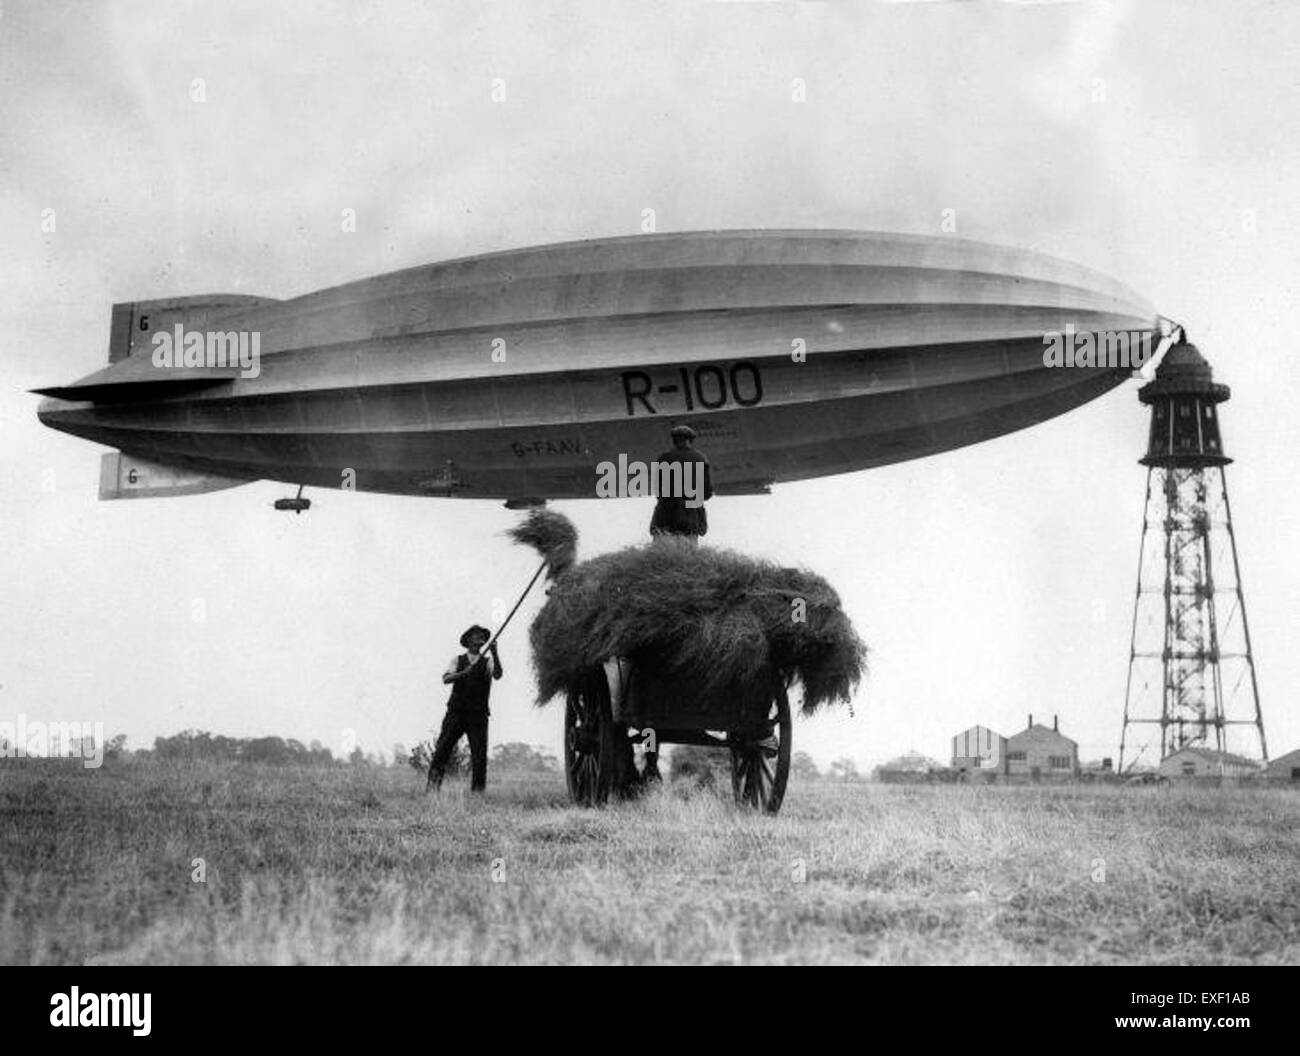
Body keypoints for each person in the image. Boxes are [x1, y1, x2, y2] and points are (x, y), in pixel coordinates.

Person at [426, 624, 503, 793]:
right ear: (468, 640)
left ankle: (477, 794)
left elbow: (497, 674)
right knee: (442, 750)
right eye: (476, 635)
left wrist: (495, 653)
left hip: (478, 715)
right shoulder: (458, 660)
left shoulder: (488, 661)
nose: (480, 637)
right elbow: (446, 679)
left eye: (482, 635)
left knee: (479, 756)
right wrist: (463, 673)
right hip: (456, 712)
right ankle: (432, 790)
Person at [648, 424, 713, 541]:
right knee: (689, 553)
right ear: (690, 440)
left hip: (666, 513)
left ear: (674, 441)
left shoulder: (664, 458)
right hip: (691, 514)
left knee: (663, 552)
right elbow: (707, 493)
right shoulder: (700, 458)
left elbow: (658, 490)